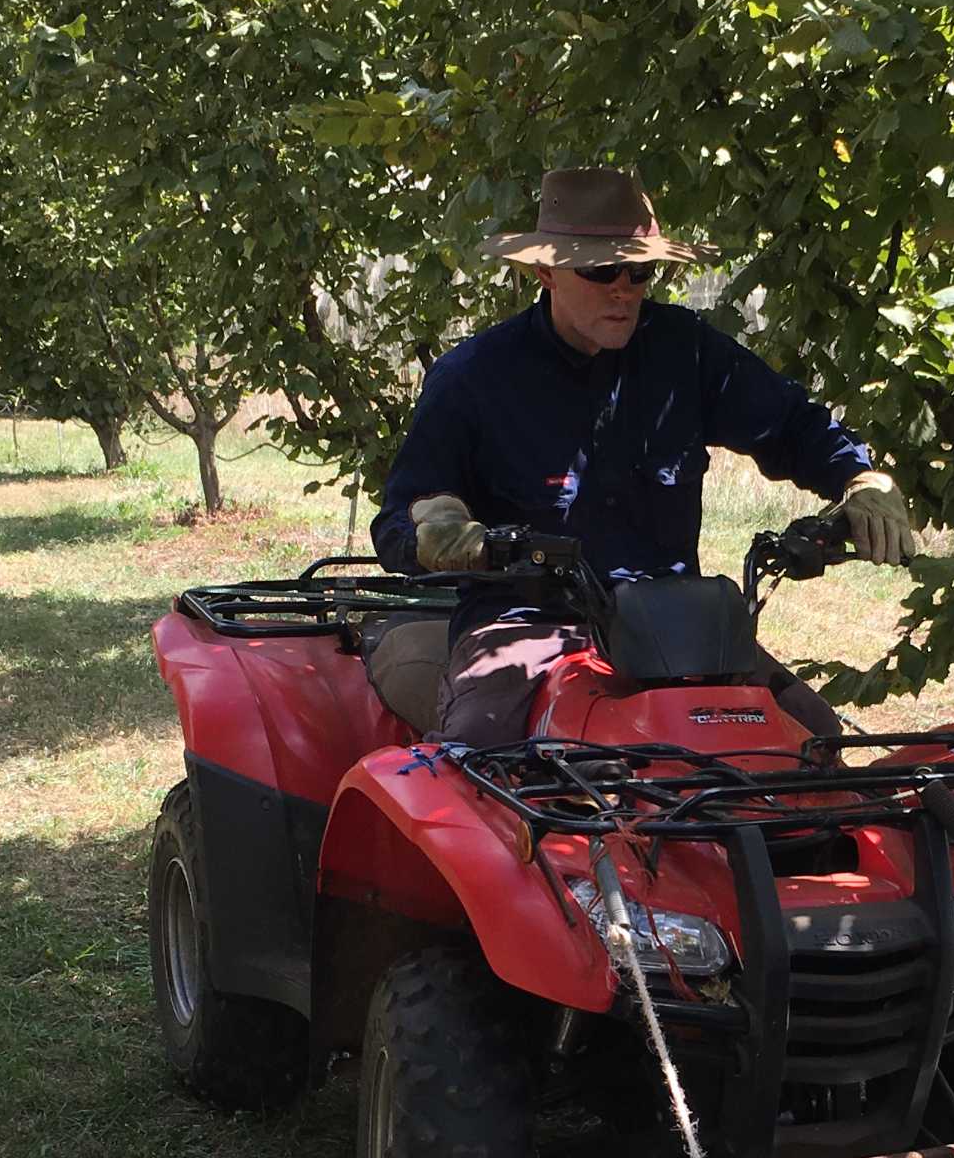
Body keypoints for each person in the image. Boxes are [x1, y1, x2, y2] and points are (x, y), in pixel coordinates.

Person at [368, 166, 914, 748]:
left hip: (676, 628)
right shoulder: (474, 378)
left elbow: (792, 424)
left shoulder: (685, 353)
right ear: (546, 272)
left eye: (639, 271)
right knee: (485, 754)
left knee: (813, 739)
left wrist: (861, 477)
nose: (623, 289)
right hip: (527, 624)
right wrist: (436, 532)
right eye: (601, 270)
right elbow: (400, 519)